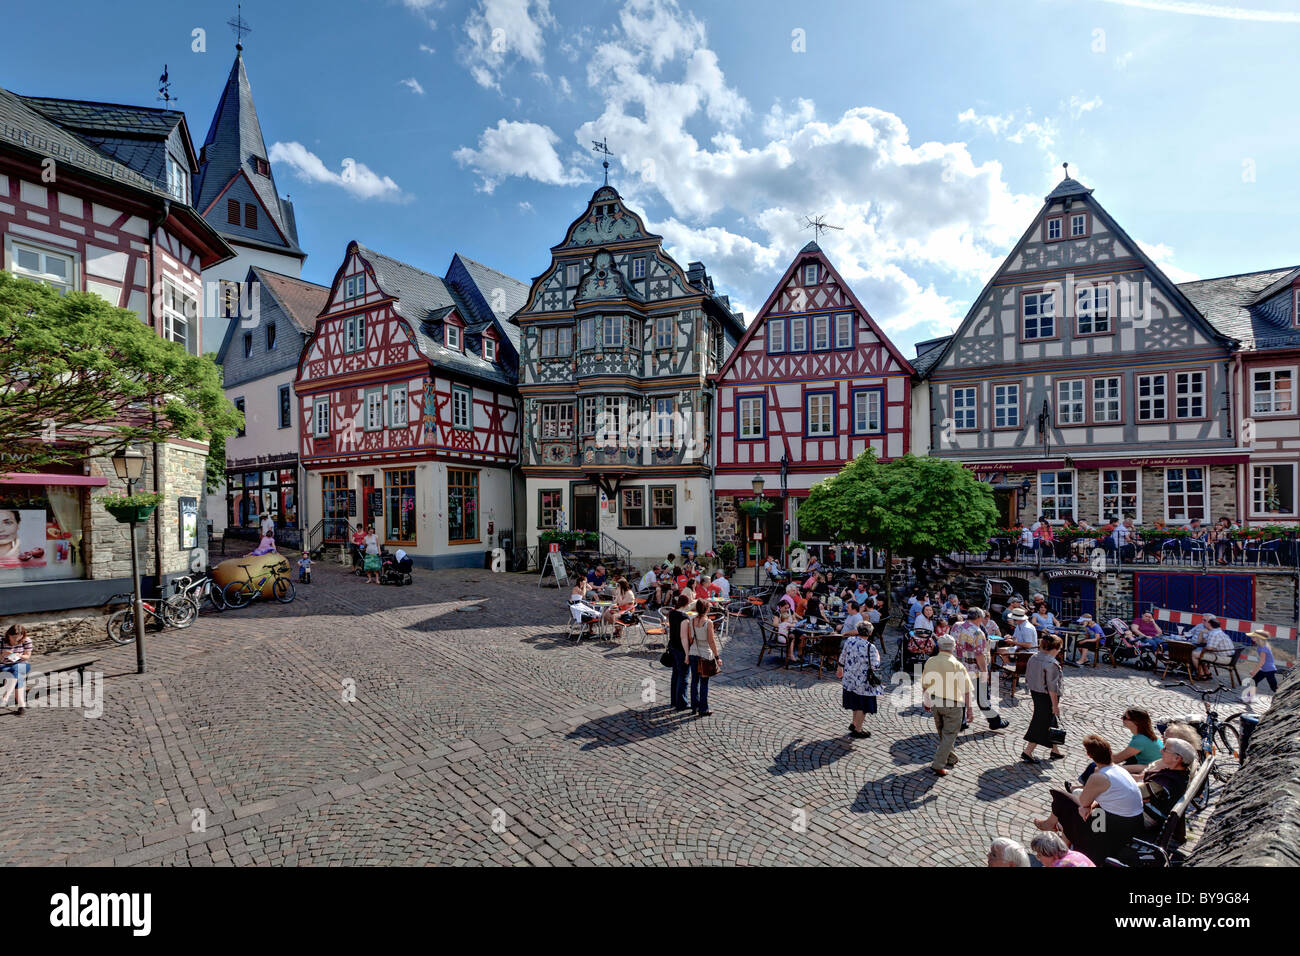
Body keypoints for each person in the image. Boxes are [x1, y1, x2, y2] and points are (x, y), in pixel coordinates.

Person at [1033, 734, 1145, 864]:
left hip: (1112, 827)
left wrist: (1087, 807)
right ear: (1110, 752)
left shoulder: (1099, 777)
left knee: (1062, 800)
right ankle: (1060, 838)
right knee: (1073, 810)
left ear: (1089, 756)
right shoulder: (1119, 770)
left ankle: (1054, 833)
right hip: (1131, 822)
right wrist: (1088, 807)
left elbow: (1083, 802)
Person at [921, 635, 973, 776]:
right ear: (954, 647)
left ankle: (950, 758)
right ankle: (938, 764)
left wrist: (926, 702)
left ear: (939, 646)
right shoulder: (957, 665)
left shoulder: (931, 661)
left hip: (936, 702)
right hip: (953, 704)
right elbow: (966, 690)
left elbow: (925, 685)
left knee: (943, 733)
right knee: (949, 734)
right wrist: (970, 710)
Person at [953, 608, 1007, 731]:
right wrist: (984, 672)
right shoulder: (978, 633)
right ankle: (994, 721)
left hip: (958, 667)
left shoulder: (956, 626)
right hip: (974, 670)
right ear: (979, 618)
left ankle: (961, 722)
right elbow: (979, 655)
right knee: (982, 698)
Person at [1077, 707, 1161, 784]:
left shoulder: (1140, 740)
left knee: (1097, 766)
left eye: (1125, 717)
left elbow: (1116, 759)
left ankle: (1085, 788)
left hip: (1148, 768)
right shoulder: (1146, 735)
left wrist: (1098, 752)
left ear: (1135, 722)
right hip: (1150, 765)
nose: (1121, 719)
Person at [1022, 635, 1065, 763]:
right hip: (1047, 696)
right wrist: (1055, 705)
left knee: (1050, 721)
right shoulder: (1051, 663)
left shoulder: (1033, 657)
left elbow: (1028, 676)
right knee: (1041, 722)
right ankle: (1028, 751)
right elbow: (1052, 688)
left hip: (1035, 692)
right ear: (1055, 648)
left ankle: (1055, 750)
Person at [838, 623, 881, 739]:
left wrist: (839, 667)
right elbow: (875, 666)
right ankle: (858, 729)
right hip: (863, 682)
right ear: (870, 633)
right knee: (863, 705)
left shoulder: (850, 641)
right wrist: (878, 656)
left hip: (850, 678)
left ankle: (854, 723)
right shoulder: (870, 647)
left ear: (858, 630)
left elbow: (843, 656)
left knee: (855, 702)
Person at [686, 598, 720, 716]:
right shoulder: (708, 622)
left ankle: (694, 706)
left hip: (693, 652)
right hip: (705, 654)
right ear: (706, 609)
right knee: (704, 682)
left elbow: (690, 638)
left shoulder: (692, 620)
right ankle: (703, 708)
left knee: (694, 681)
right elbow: (711, 641)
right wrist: (717, 656)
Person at [666, 595, 692, 712]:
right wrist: (687, 654)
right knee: (684, 676)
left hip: (672, 646)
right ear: (686, 604)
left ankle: (674, 700)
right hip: (680, 649)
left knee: (675, 674)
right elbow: (684, 638)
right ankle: (682, 703)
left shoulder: (672, 613)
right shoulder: (684, 618)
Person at [0, 624, 33, 715]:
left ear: (22, 636)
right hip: (4, 666)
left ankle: (5, 696)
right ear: (8, 635)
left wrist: (20, 656)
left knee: (17, 668)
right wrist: (3, 654)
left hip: (21, 664)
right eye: (14, 637)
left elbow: (27, 656)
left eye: (19, 638)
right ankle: (21, 705)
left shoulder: (26, 641)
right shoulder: (1, 642)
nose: (16, 640)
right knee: (19, 675)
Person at [1030, 831, 1095, 868]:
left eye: (1039, 855)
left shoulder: (1061, 865)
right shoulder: (1075, 854)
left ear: (1050, 853)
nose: (1038, 858)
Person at [1247, 629, 1279, 694]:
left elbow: (1262, 662)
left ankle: (1282, 698)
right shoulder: (1262, 646)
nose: (1251, 637)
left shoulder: (1263, 648)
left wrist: (1254, 672)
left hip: (1269, 670)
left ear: (1259, 638)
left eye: (1253, 636)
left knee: (1274, 688)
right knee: (1253, 681)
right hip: (1265, 669)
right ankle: (1249, 697)